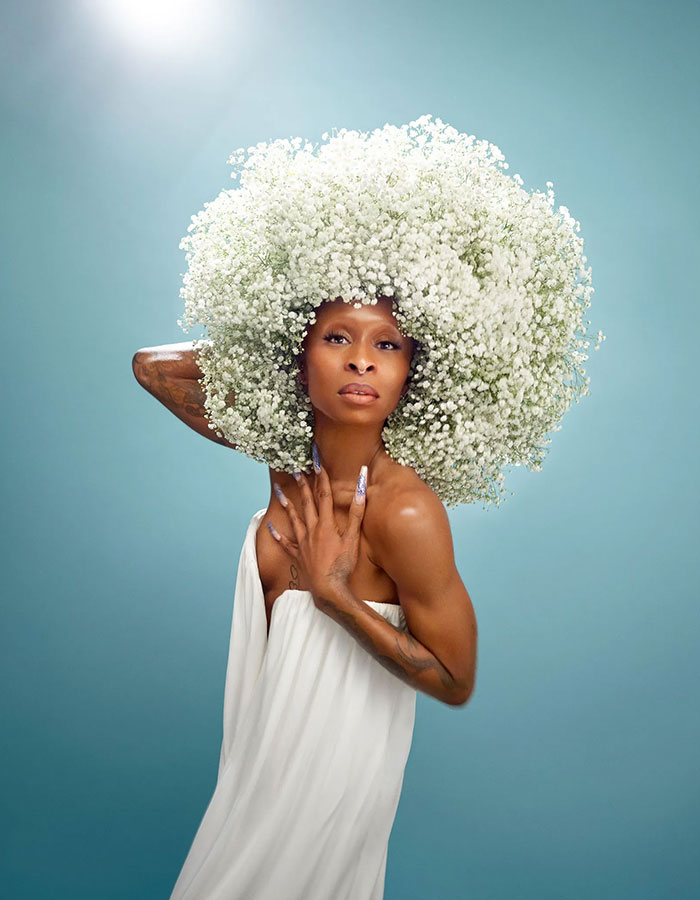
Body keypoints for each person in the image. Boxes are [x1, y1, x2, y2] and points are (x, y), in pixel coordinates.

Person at [132, 293, 478, 899]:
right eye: (337, 338)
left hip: (330, 792)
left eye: (387, 344)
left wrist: (336, 598)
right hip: (252, 774)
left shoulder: (405, 513)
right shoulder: (287, 463)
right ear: (298, 357)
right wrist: (272, 340)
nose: (362, 361)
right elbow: (152, 368)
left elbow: (455, 679)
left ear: (411, 373)